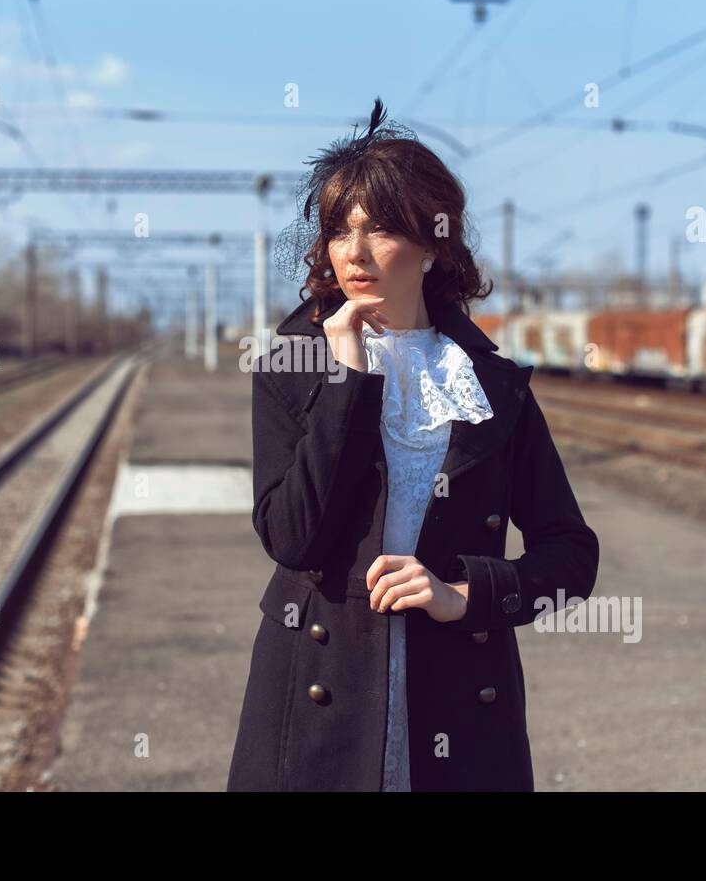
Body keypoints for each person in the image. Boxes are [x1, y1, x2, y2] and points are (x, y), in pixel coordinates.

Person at [226, 98, 600, 791]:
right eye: (340, 230)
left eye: (381, 229)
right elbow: (292, 538)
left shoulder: (492, 385)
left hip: (462, 705)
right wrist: (349, 380)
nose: (355, 252)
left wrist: (467, 593)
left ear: (432, 243)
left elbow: (572, 557)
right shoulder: (292, 364)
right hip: (318, 701)